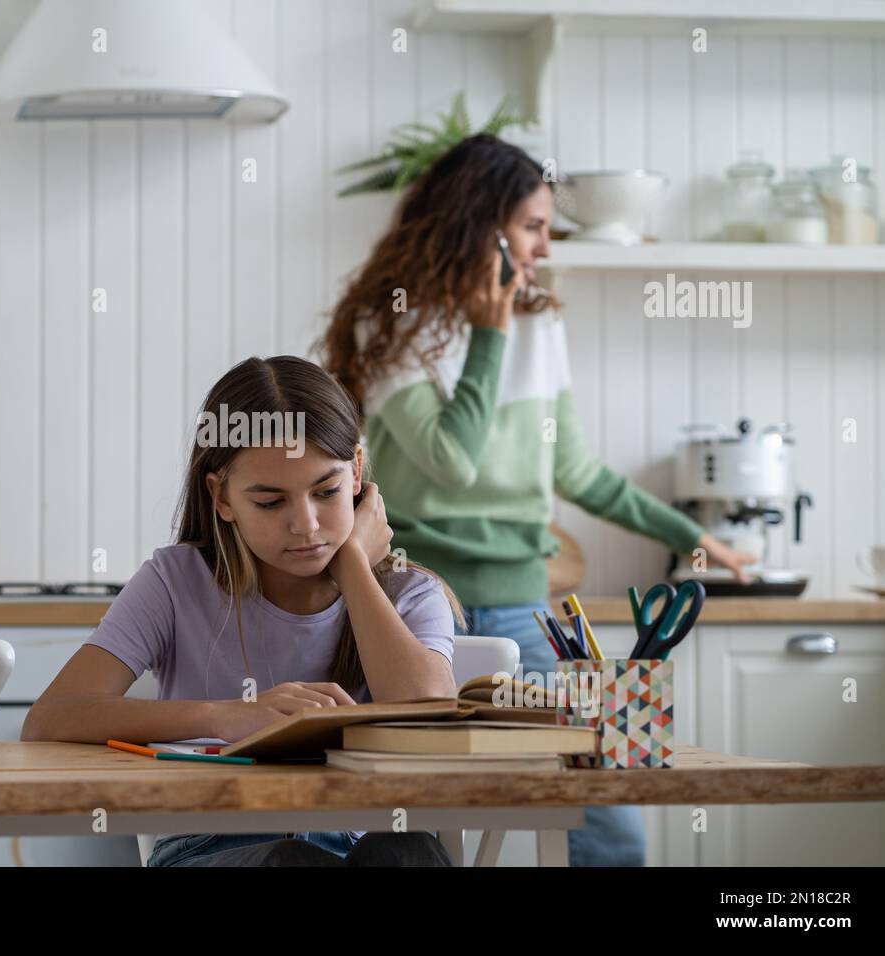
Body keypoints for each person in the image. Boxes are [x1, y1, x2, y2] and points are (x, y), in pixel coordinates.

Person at [318, 133, 756, 867]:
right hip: (415, 612)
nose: (545, 249)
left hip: (527, 615)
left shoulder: (540, 324)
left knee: (609, 819)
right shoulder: (393, 323)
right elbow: (452, 462)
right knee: (402, 827)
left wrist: (695, 538)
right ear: (478, 224)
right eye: (533, 226)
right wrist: (490, 337)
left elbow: (578, 472)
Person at [23, 354, 465, 867]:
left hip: (359, 843)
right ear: (222, 497)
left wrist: (352, 569)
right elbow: (51, 717)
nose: (306, 525)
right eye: (271, 502)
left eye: (327, 492)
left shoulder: (408, 592)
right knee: (292, 863)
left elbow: (426, 715)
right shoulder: (174, 583)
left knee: (411, 852)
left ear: (358, 474)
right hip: (209, 846)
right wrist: (224, 715)